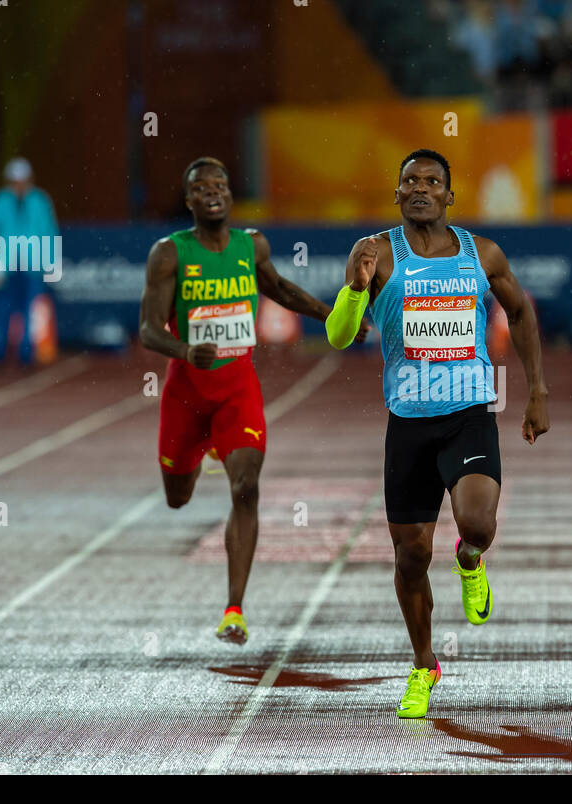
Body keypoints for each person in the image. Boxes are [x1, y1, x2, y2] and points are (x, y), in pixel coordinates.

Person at [325, 149, 549, 718]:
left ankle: (470, 560)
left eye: (433, 181)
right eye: (410, 181)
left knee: (478, 523)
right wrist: (355, 289)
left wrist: (537, 390)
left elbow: (519, 312)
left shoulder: (483, 254)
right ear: (396, 193)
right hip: (408, 425)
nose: (420, 188)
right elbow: (338, 336)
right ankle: (424, 664)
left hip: (469, 412)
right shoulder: (373, 252)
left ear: (451, 196)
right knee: (409, 558)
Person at [140, 157, 361, 644]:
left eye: (221, 184)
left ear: (230, 195)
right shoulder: (169, 254)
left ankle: (233, 608)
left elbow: (279, 288)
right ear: (190, 200)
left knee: (246, 487)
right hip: (185, 392)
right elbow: (147, 329)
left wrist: (332, 315)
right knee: (178, 498)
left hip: (237, 389)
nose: (213, 192)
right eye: (202, 187)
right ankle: (199, 452)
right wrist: (183, 350)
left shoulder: (250, 245)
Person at [0, 157, 59, 367]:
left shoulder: (40, 201)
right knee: (2, 309)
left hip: (32, 265)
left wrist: (51, 262)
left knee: (30, 310)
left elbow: (49, 232)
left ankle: (26, 353)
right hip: (5, 265)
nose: (19, 185)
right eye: (15, 181)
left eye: (22, 181)